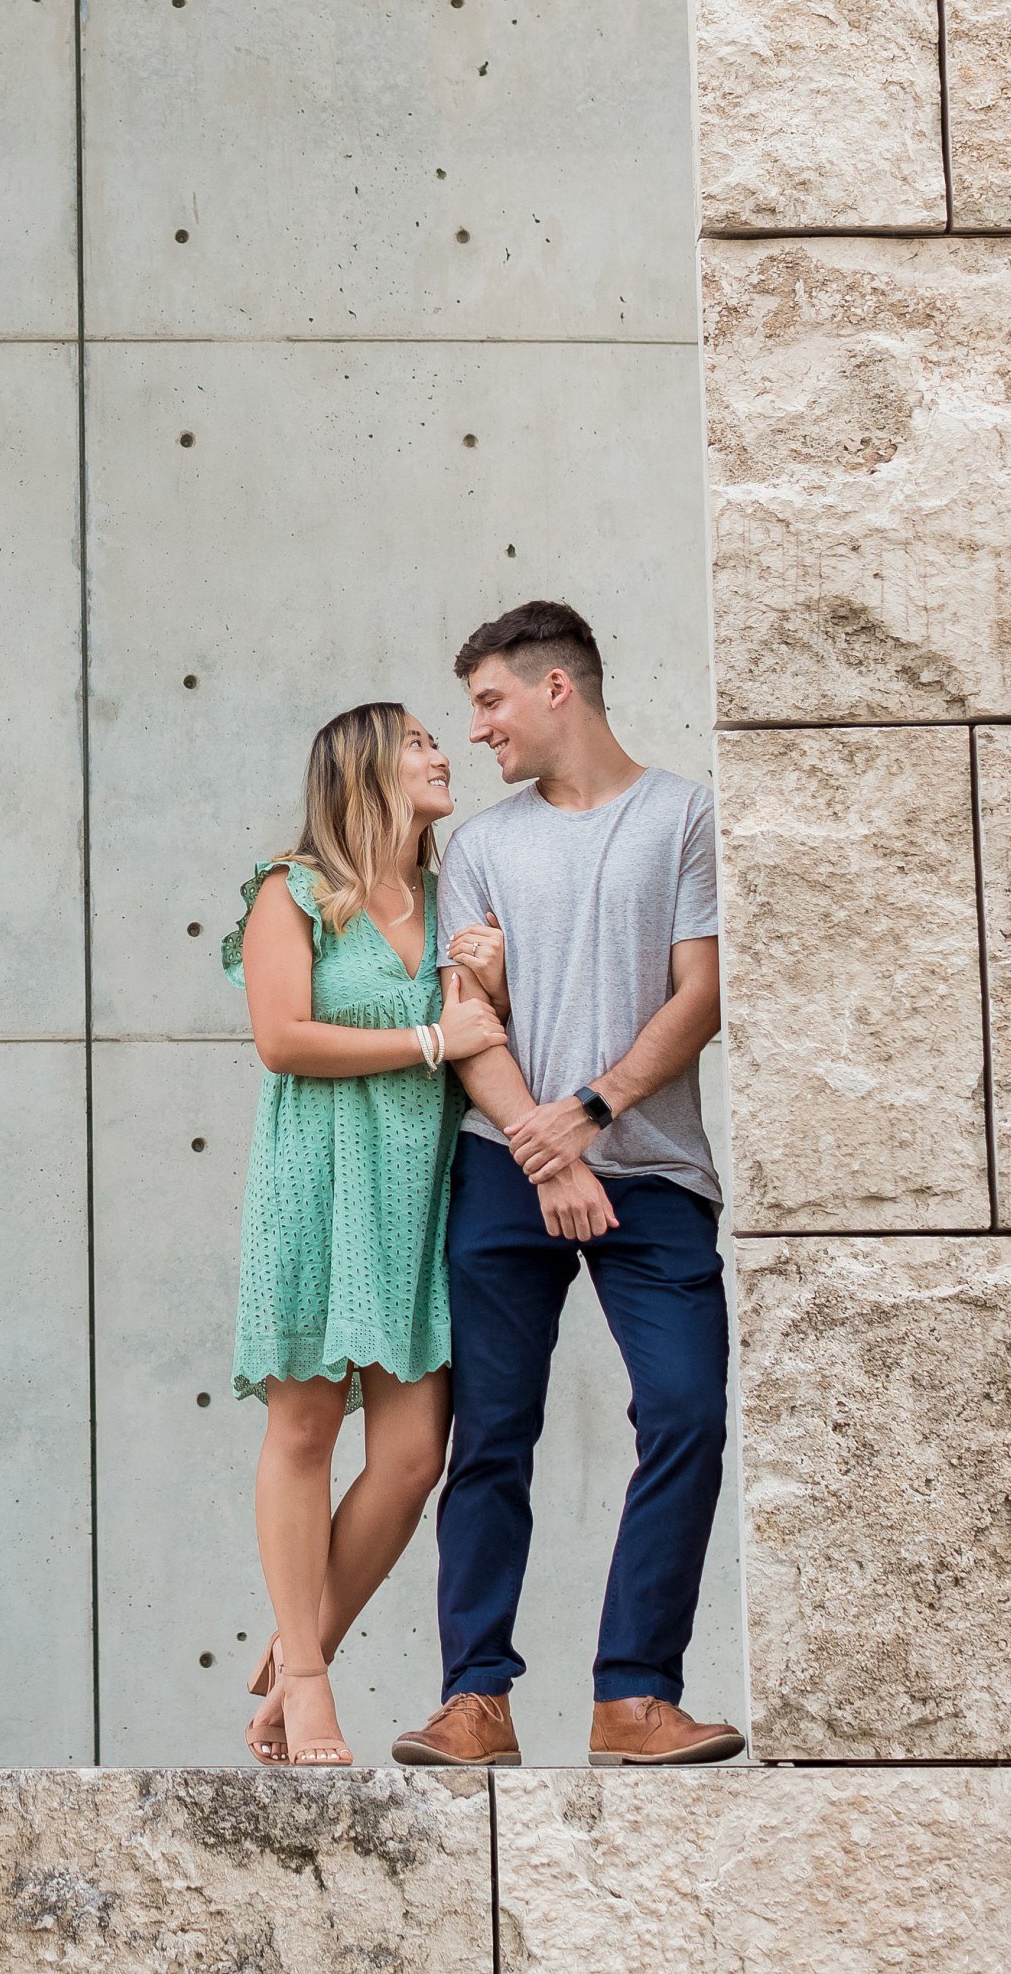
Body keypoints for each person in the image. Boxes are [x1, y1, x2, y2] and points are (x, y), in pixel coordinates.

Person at [390, 600, 745, 1771]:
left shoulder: (682, 816)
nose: (475, 729)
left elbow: (698, 994)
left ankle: (633, 1697)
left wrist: (588, 1118)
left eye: (489, 701)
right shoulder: (481, 848)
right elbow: (467, 1019)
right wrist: (545, 1153)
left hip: (648, 1172)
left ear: (558, 690)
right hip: (505, 1173)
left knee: (685, 1413)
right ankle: (473, 1700)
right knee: (490, 1433)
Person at [223, 703, 506, 1767]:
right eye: (421, 741)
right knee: (301, 1433)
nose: (444, 756)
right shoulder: (288, 893)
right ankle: (305, 1688)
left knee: (406, 1460)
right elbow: (281, 1039)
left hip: (419, 1200)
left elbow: (491, 1037)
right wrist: (433, 1033)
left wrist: (491, 978)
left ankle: (297, 1653)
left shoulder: (451, 900)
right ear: (361, 768)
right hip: (318, 1188)